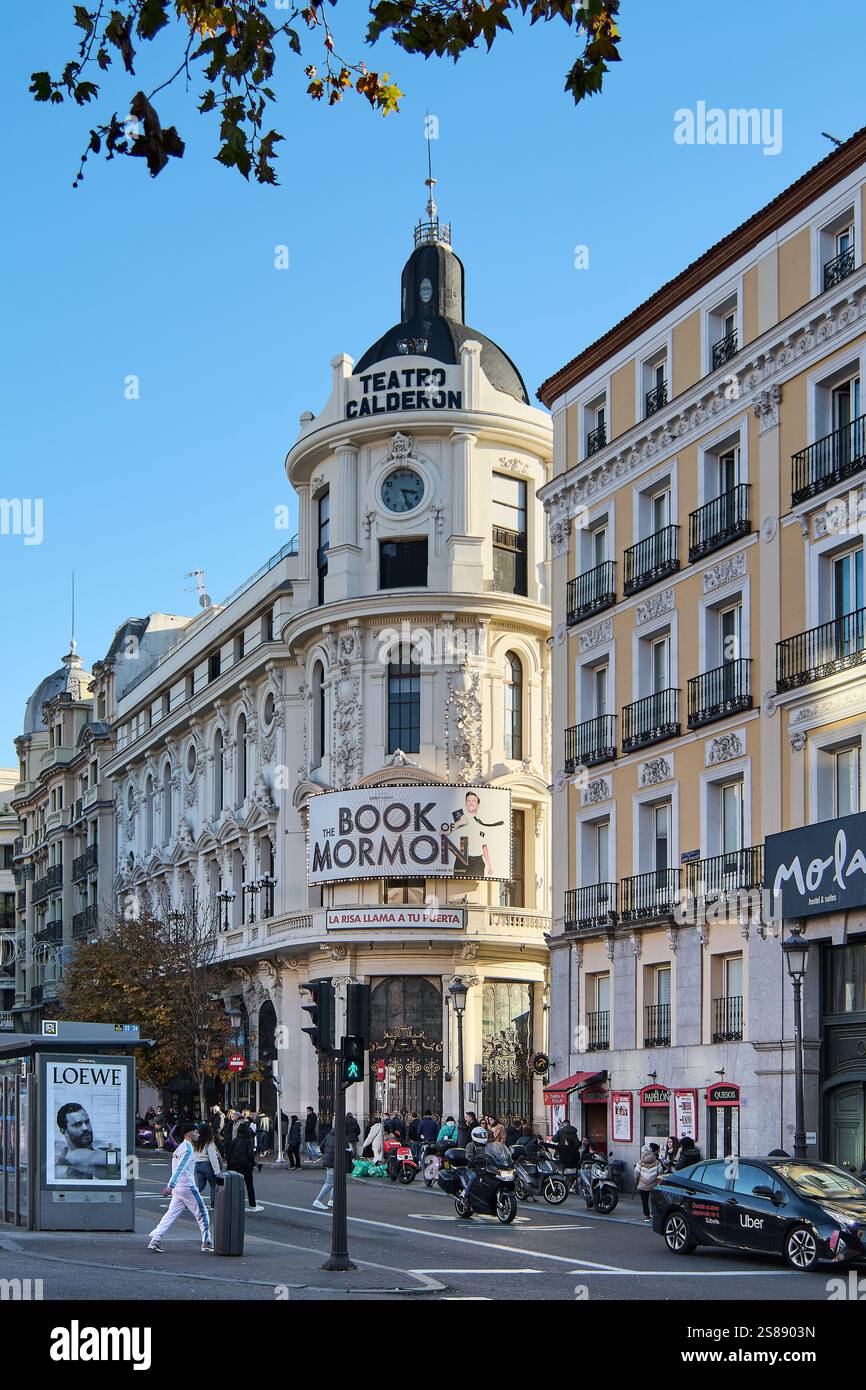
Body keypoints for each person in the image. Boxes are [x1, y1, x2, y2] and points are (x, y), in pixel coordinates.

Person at [147, 1123, 213, 1253]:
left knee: (170, 1214)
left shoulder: (180, 1148)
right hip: (187, 1187)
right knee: (202, 1213)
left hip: (178, 1189)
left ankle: (156, 1239)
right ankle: (207, 1242)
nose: (198, 1134)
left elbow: (175, 1168)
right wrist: (170, 1185)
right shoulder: (188, 1150)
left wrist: (173, 1186)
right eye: (196, 1132)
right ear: (189, 1134)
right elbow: (180, 1168)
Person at [54, 1103, 120, 1180]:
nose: (85, 1128)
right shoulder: (74, 1156)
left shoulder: (93, 1153)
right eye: (77, 1124)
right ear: (64, 1131)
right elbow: (119, 1160)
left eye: (87, 1122)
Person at [226, 1120, 264, 1211]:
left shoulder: (235, 1140)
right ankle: (252, 1205)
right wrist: (253, 1164)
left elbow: (229, 1153)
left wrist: (229, 1164)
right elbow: (250, 1155)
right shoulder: (248, 1141)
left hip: (233, 1166)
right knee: (249, 1186)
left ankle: (234, 1204)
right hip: (245, 1167)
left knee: (235, 1187)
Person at [192, 1123, 223, 1210]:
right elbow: (213, 1157)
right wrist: (217, 1172)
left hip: (197, 1165)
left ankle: (190, 1201)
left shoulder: (196, 1141)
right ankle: (213, 1205)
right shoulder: (209, 1142)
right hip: (206, 1165)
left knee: (200, 1186)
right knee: (213, 1186)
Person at [635, 1142, 662, 1222]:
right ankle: (654, 1214)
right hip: (654, 1184)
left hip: (642, 1184)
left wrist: (637, 1181)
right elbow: (660, 1173)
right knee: (654, 1200)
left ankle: (646, 1216)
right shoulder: (657, 1162)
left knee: (644, 1201)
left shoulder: (640, 1162)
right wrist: (658, 1181)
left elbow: (636, 1174)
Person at [313, 1126, 338, 1210]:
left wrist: (326, 1154)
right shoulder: (340, 1136)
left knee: (334, 1183)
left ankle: (332, 1201)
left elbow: (321, 1146)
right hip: (333, 1162)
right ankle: (318, 1200)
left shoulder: (329, 1135)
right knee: (329, 1183)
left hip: (327, 1161)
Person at [463, 1124, 489, 1199]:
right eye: (481, 1135)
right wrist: (473, 1159)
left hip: (486, 1167)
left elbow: (493, 1153)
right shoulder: (471, 1145)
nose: (483, 1137)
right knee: (473, 1177)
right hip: (473, 1168)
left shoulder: (488, 1145)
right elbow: (468, 1154)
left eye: (484, 1135)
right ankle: (466, 1196)